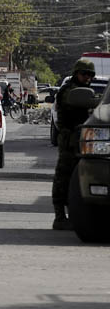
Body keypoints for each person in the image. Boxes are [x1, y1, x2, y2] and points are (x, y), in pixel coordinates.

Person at [51, 59, 96, 230]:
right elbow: (80, 106)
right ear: (77, 73)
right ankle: (60, 216)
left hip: (83, 140)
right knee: (64, 177)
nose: (88, 78)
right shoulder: (68, 91)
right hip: (70, 141)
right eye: (85, 74)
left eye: (90, 75)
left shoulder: (84, 90)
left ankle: (75, 215)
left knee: (79, 179)